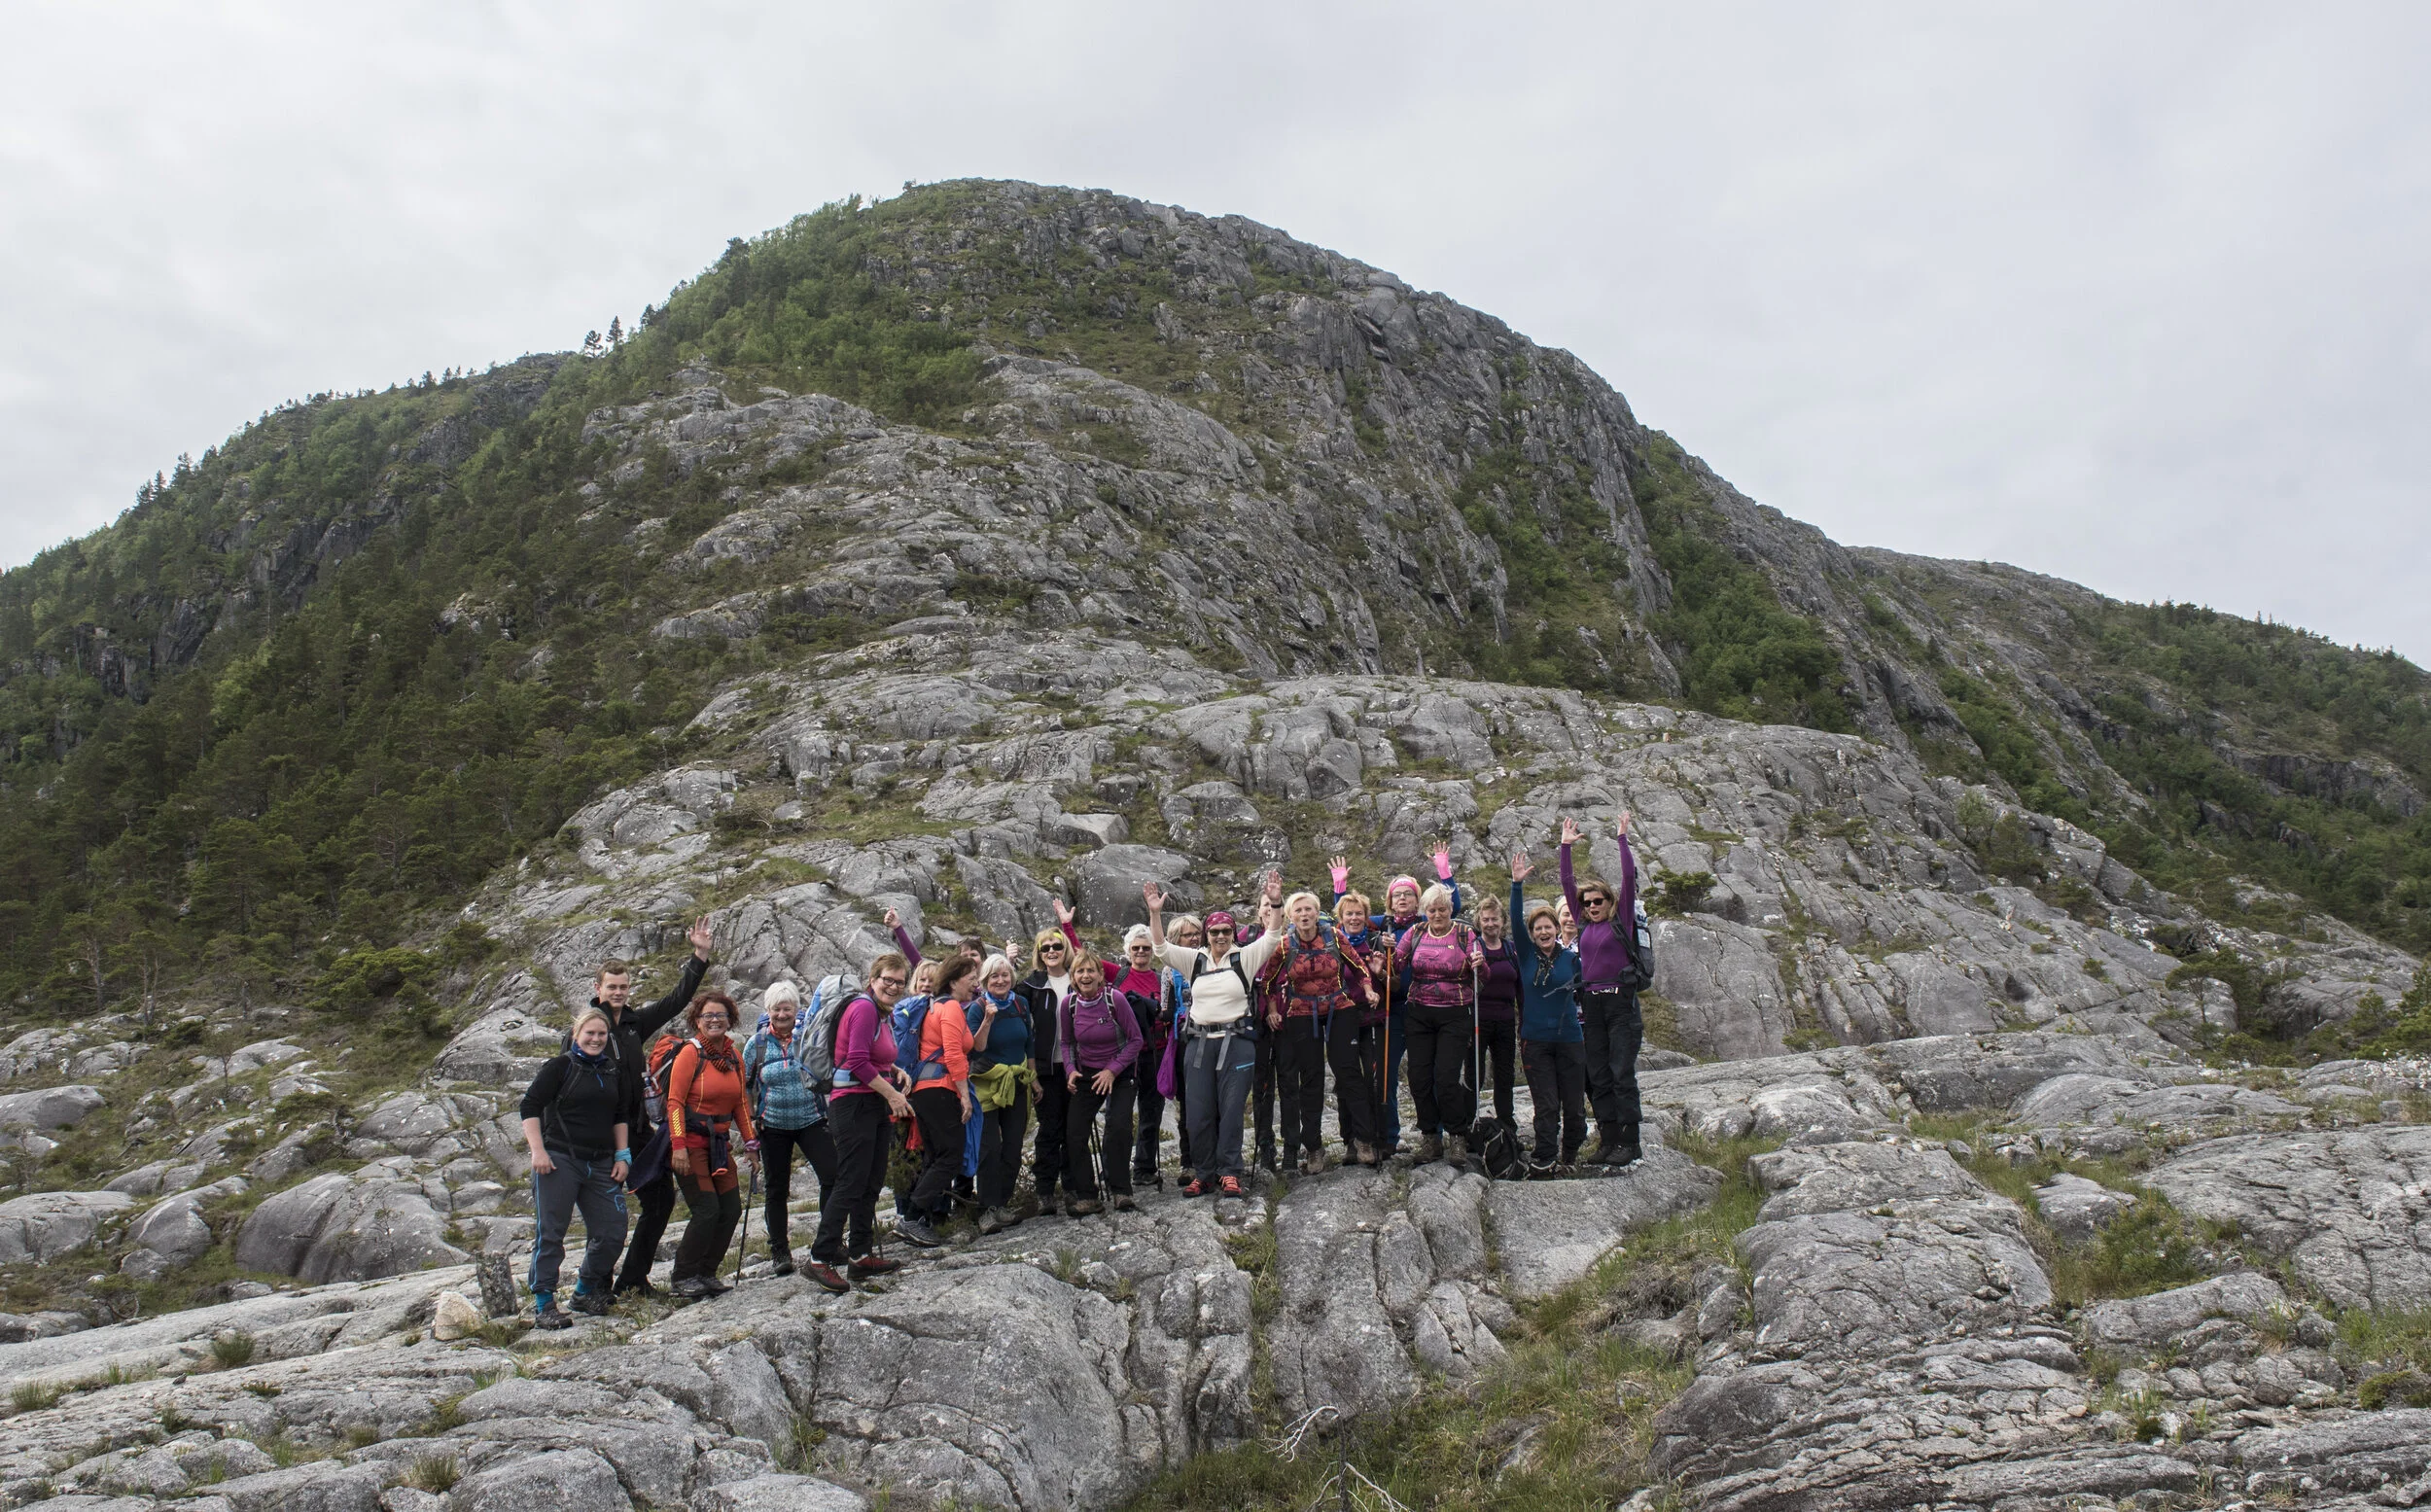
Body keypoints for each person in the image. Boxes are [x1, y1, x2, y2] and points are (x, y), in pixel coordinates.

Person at [1145, 880, 1285, 1198]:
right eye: (1214, 931)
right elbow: (1161, 949)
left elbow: (1274, 936)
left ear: (1233, 933)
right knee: (1197, 1112)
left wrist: (1275, 904)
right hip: (1199, 1043)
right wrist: (1155, 914)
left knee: (1233, 1109)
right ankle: (1204, 1173)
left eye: (1225, 931)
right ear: (1206, 935)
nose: (1220, 936)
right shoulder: (1194, 961)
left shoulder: (1244, 958)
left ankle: (1229, 1172)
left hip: (1237, 1042)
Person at [600, 917, 714, 1296]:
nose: (618, 992)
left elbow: (675, 1001)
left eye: (623, 987)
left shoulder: (633, 1023)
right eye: (611, 987)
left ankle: (632, 1279)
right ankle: (595, 1287)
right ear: (598, 988)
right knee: (605, 1214)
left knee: (661, 1198)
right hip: (600, 1135)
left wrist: (699, 956)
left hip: (635, 1131)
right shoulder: (589, 1029)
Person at [1332, 849, 1460, 1157]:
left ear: (1419, 901)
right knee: (1384, 1075)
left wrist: (1445, 873)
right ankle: (1387, 1137)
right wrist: (1340, 887)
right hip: (1389, 1010)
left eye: (1409, 894)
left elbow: (1451, 906)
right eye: (1397, 895)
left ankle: (1436, 1134)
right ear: (1389, 902)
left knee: (1426, 1074)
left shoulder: (1427, 921)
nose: (1403, 898)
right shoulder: (1381, 924)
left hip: (1421, 1008)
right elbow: (1350, 917)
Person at [804, 954, 915, 1294]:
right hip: (853, 1104)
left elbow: (871, 1056)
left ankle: (861, 1254)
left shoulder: (882, 1013)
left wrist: (894, 1070)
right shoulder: (865, 1008)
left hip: (870, 1101)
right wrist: (894, 1096)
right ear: (873, 977)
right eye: (888, 979)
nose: (894, 986)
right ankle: (820, 1258)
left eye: (899, 981)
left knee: (871, 1179)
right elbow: (854, 1062)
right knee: (852, 1180)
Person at [519, 1007, 636, 1328]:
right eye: (590, 1034)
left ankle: (583, 1292)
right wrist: (538, 1151)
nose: (596, 1039)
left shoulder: (612, 1071)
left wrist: (622, 1155)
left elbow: (620, 1114)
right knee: (552, 1233)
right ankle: (544, 1303)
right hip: (559, 1160)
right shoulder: (560, 1067)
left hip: (600, 1163)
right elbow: (529, 1105)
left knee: (613, 1231)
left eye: (601, 1035)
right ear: (576, 1035)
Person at [1055, 902, 1172, 1188]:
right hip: (1123, 1058)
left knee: (1151, 1112)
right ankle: (1112, 1172)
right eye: (1136, 949)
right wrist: (1067, 926)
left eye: (1146, 948)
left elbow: (1168, 1010)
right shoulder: (1117, 974)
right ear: (1128, 951)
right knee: (1117, 1117)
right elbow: (1083, 959)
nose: (1141, 953)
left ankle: (1144, 1167)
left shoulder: (1161, 977)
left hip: (1154, 1053)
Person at [1263, 890, 1378, 1172]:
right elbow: (1267, 982)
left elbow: (1360, 966)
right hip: (1302, 1012)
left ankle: (1364, 1140)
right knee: (1311, 1078)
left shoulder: (1334, 937)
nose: (1304, 915)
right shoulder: (1284, 945)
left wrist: (1367, 989)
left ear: (1317, 912)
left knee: (1348, 1071)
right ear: (1290, 916)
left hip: (1339, 1007)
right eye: (1298, 910)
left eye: (1309, 910)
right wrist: (1273, 1009)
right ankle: (1314, 1148)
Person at [1561, 813, 1644, 1167]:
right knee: (1598, 1075)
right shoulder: (1582, 926)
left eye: (1599, 901)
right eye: (1588, 902)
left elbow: (1627, 877)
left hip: (1621, 1005)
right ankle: (1609, 1140)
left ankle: (1631, 1141)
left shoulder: (1621, 920)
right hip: (1591, 1006)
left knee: (1620, 1072)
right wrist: (1565, 847)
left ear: (1609, 903)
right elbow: (1567, 882)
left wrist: (1622, 839)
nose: (1593, 906)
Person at [663, 992, 759, 1299]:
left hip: (719, 1147)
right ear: (697, 1021)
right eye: (708, 1016)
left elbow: (741, 1104)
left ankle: (706, 1272)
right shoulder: (689, 1054)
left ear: (730, 1019)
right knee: (707, 1211)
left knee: (730, 1210)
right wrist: (678, 1146)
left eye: (720, 1015)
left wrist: (751, 1144)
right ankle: (683, 1276)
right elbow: (675, 1102)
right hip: (690, 1146)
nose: (715, 1020)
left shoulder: (734, 1056)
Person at [742, 981, 835, 1278]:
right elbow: (744, 1087)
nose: (782, 1014)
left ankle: (829, 1241)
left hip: (812, 1119)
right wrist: (749, 1126)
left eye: (788, 1008)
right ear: (767, 1010)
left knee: (833, 1178)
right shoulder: (755, 1045)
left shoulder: (808, 1037)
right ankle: (780, 1251)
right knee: (776, 1190)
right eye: (776, 1009)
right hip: (772, 1125)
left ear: (797, 1009)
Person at [1393, 884, 1484, 1164]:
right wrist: (1382, 961)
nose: (1437, 914)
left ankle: (1457, 1135)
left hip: (1456, 1012)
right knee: (1419, 1078)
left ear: (1450, 909)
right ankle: (1430, 1137)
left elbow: (1484, 975)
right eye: (1431, 910)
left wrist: (1480, 963)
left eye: (1442, 909)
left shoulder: (1464, 933)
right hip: (1419, 1012)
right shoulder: (1416, 933)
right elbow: (1396, 965)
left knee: (1446, 1078)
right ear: (1425, 911)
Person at [1509, 855, 1587, 1173]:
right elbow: (1514, 918)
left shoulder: (1572, 959)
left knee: (1575, 1107)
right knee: (1547, 1105)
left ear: (1557, 928)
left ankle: (1569, 1154)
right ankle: (1544, 1157)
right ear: (1532, 933)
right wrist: (1516, 885)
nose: (1543, 932)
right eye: (1538, 928)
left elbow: (1585, 994)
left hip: (1570, 1039)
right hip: (1535, 1042)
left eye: (1548, 927)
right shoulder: (1525, 955)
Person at [898, 953, 978, 1248]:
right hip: (941, 1088)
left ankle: (916, 1218)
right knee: (950, 1156)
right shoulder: (952, 1007)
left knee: (934, 1155)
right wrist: (965, 1096)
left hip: (923, 1089)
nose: (975, 984)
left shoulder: (934, 1006)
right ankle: (912, 1216)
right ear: (955, 980)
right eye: (971, 979)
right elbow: (955, 1053)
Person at [1058, 953, 1145, 1213]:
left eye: (1090, 971)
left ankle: (1121, 1191)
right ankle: (1088, 1196)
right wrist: (1070, 1070)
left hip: (1120, 1072)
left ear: (1100, 975)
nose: (1085, 976)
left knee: (1117, 1127)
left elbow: (1136, 1040)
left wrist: (1113, 1070)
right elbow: (1067, 1043)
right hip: (1087, 1073)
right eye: (1079, 972)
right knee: (1074, 1133)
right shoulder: (1069, 1004)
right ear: (1073, 977)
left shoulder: (1114, 999)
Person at [969, 953, 1035, 1235]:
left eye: (1004, 974)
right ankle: (987, 1209)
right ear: (984, 980)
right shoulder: (977, 1007)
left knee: (1012, 1147)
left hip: (1017, 1082)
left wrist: (1036, 1080)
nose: (1000, 980)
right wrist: (987, 1020)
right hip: (987, 1084)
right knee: (989, 1149)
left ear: (1012, 978)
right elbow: (974, 1048)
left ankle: (1003, 1204)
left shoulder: (1021, 1004)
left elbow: (1029, 1043)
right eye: (994, 976)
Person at [1017, 928, 1076, 1213]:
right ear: (1039, 953)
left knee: (1074, 1129)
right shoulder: (1032, 985)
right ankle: (1045, 1191)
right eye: (1045, 948)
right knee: (1050, 1130)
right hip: (1046, 1069)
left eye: (1056, 946)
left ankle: (1073, 1187)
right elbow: (1007, 1004)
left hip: (1076, 1067)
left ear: (1065, 948)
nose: (1051, 951)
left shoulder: (1078, 978)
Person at [1472, 892, 1521, 1137]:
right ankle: (1470, 1120)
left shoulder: (1512, 950)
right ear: (1479, 922)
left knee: (1505, 1073)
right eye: (1486, 919)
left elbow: (1520, 987)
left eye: (1494, 919)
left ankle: (1506, 1121)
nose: (1490, 924)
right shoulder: (1473, 948)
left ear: (1502, 921)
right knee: (1475, 1073)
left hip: (1505, 1019)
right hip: (1478, 1019)